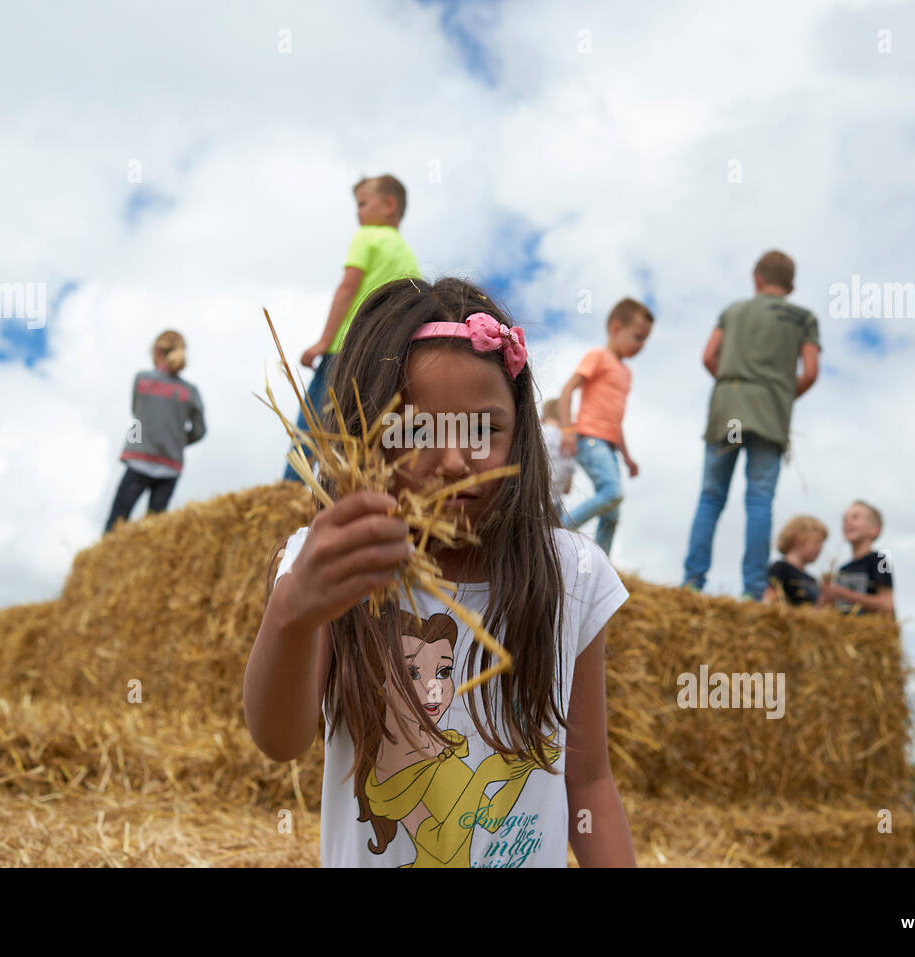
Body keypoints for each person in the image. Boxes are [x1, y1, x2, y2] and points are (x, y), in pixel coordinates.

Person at [247, 277, 635, 867]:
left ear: (521, 435)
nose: (455, 461)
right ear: (365, 438)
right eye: (419, 431)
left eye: (484, 430)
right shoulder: (328, 566)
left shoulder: (571, 573)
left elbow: (587, 781)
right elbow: (279, 740)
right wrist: (294, 611)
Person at [683, 250, 820, 600]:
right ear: (791, 286)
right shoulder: (804, 318)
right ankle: (754, 591)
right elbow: (811, 371)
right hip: (770, 413)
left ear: (756, 279)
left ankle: (692, 582)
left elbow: (707, 356)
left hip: (728, 406)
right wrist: (781, 396)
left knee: (711, 497)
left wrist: (733, 384)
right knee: (759, 500)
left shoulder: (733, 311)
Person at [284, 174, 421, 483]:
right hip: (380, 356)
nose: (357, 212)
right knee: (358, 429)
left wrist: (323, 341)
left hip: (344, 349)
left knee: (313, 425)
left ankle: (290, 490)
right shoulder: (408, 255)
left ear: (389, 205)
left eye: (362, 203)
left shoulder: (367, 236)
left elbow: (347, 288)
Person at [555, 299, 655, 555]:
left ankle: (600, 566)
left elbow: (617, 421)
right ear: (615, 328)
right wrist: (567, 430)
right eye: (637, 337)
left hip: (609, 445)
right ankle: (556, 534)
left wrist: (627, 457)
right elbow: (567, 391)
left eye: (645, 340)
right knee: (612, 492)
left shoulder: (626, 373)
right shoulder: (598, 357)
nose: (641, 345)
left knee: (612, 514)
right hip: (588, 438)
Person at [105, 330, 205, 533]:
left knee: (114, 525)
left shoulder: (142, 379)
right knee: (153, 534)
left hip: (138, 460)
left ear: (157, 351)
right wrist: (176, 440)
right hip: (170, 467)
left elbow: (137, 411)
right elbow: (200, 430)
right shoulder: (191, 392)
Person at [817, 500, 895, 616]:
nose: (847, 522)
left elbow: (887, 605)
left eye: (855, 517)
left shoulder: (880, 560)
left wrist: (843, 594)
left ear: (875, 529)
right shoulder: (842, 569)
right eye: (844, 519)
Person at [762, 515, 826, 606]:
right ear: (798, 539)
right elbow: (770, 598)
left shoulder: (812, 579)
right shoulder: (780, 568)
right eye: (817, 542)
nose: (821, 548)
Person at [539, 398, 575, 519]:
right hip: (553, 509)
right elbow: (567, 489)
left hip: (528, 502)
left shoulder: (537, 432)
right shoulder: (569, 443)